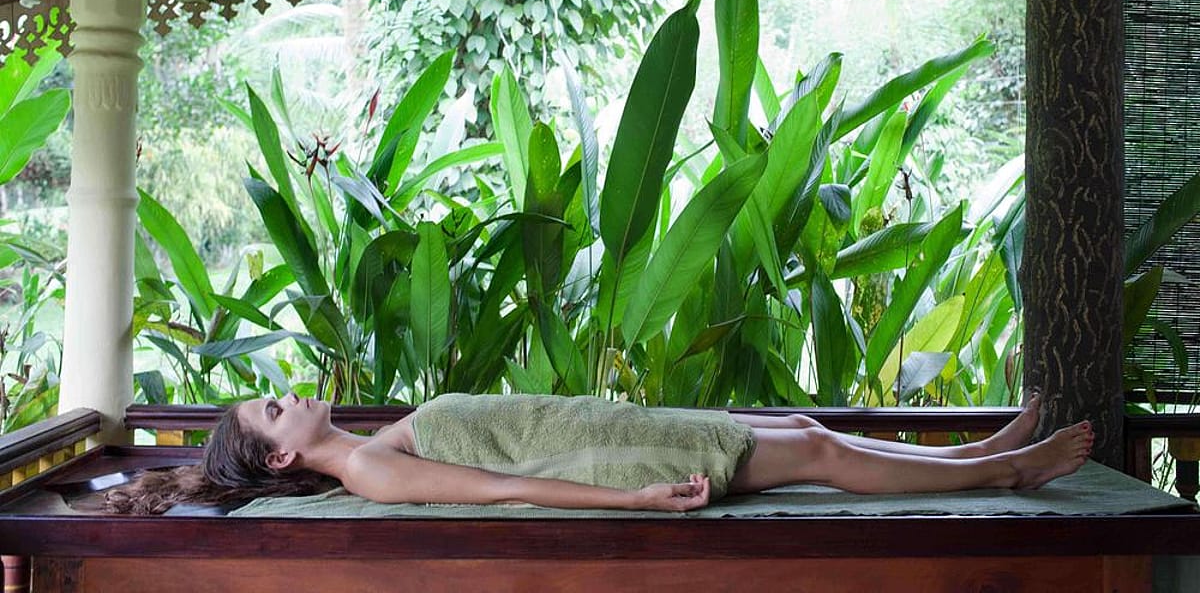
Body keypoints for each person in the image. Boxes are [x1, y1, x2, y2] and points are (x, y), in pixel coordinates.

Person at [105, 391, 1093, 515]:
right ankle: (1005, 469)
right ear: (283, 458)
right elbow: (495, 488)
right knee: (819, 455)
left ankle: (979, 445)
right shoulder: (369, 468)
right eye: (277, 408)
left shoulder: (374, 437)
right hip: (601, 462)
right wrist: (639, 501)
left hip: (592, 424)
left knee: (807, 430)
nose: (292, 391)